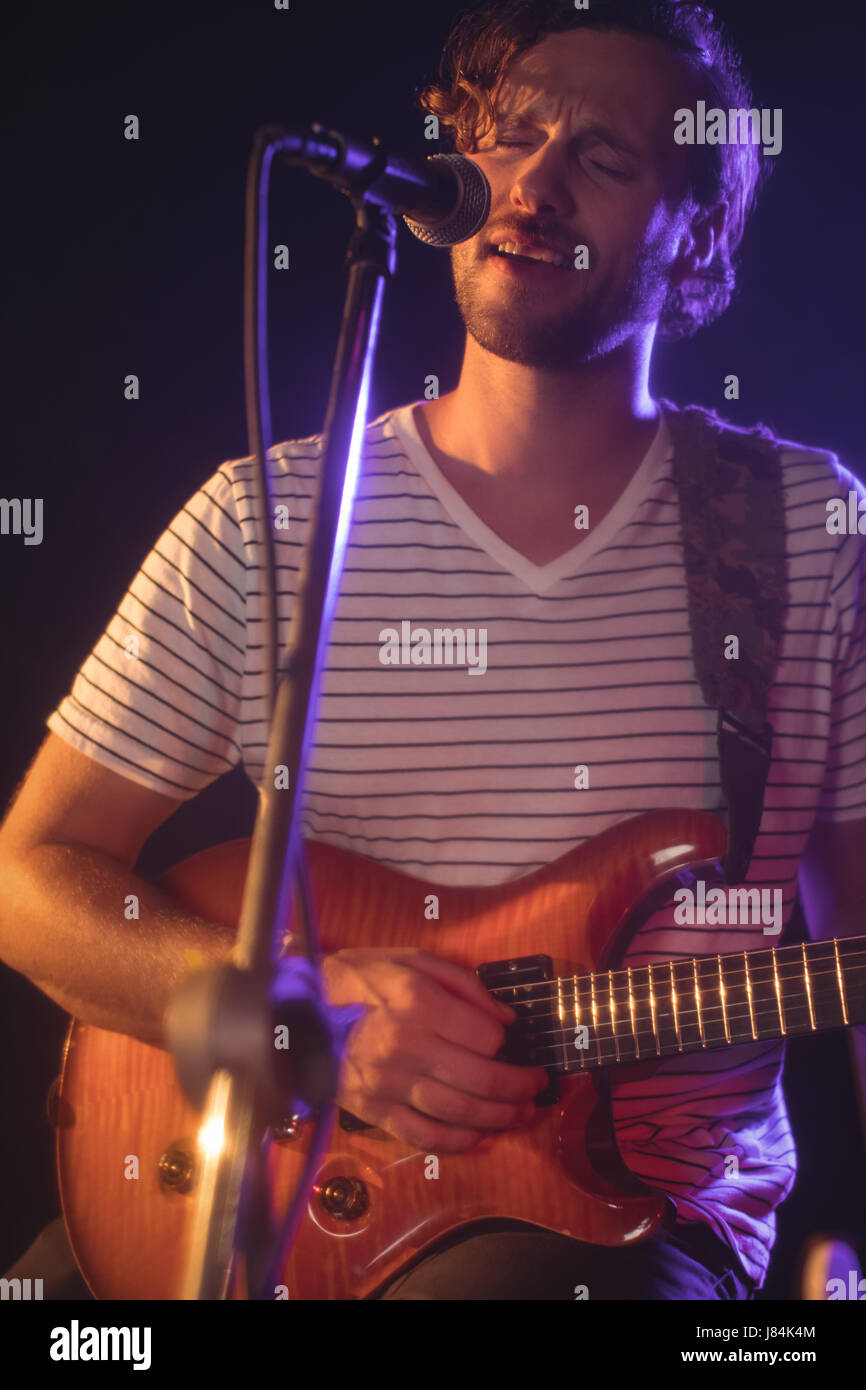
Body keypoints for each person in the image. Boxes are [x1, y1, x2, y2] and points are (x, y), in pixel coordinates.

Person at [1, 0, 864, 1301]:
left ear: (692, 235)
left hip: (629, 1222)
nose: (534, 181)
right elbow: (30, 880)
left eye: (604, 157)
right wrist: (295, 1008)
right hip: (259, 1181)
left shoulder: (806, 532)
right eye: (510, 135)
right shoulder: (267, 517)